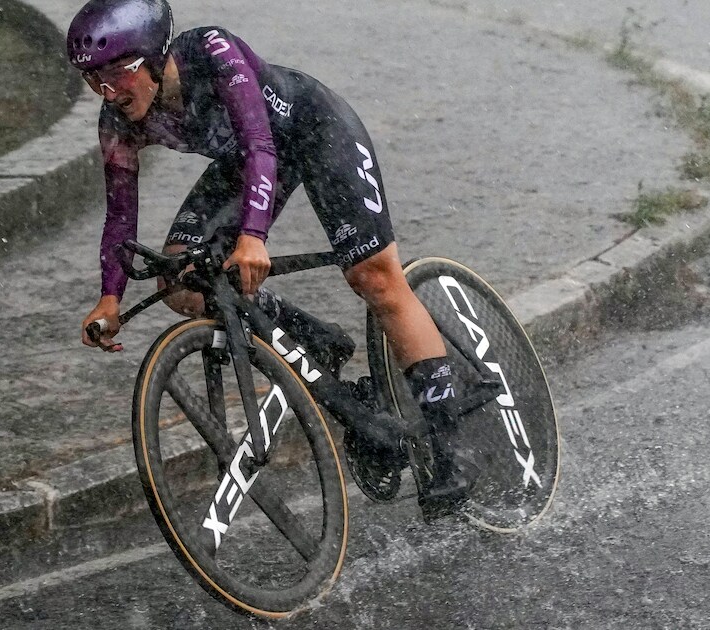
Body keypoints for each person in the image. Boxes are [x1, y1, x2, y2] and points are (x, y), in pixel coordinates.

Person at [69, 0, 475, 519]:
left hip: (315, 132)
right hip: (247, 161)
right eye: (92, 79)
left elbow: (262, 142)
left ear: (152, 56)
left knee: (375, 278)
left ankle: (448, 451)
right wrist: (108, 299)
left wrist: (252, 235)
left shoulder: (212, 51)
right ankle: (317, 339)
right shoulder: (118, 123)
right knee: (182, 280)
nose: (106, 91)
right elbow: (120, 217)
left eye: (115, 73)